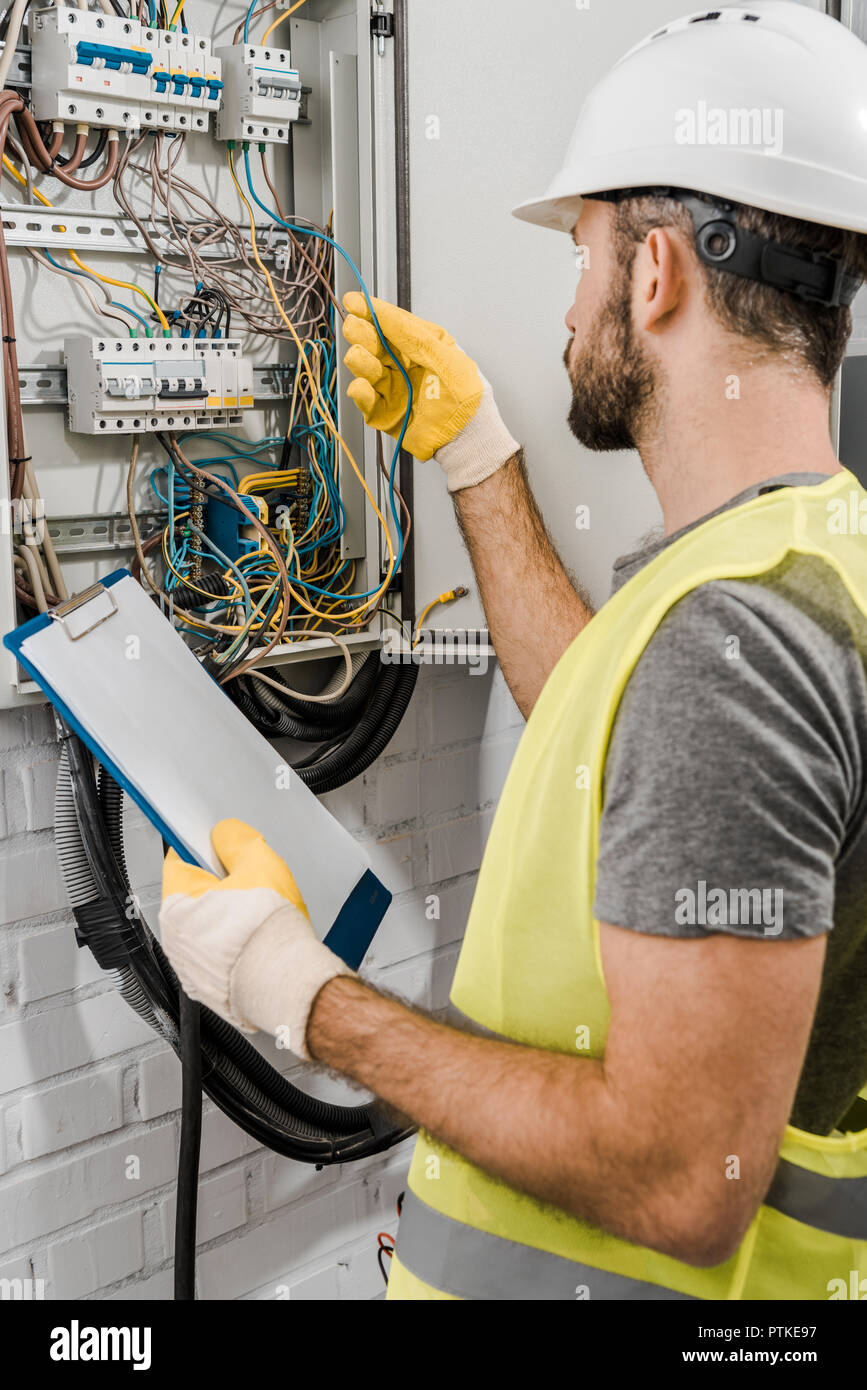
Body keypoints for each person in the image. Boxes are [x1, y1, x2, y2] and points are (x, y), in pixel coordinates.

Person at [160, 2, 867, 1299]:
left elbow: (672, 1177)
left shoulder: (739, 637)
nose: (570, 305)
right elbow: (612, 731)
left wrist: (295, 989)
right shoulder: (797, 561)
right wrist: (479, 459)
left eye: (585, 256)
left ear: (656, 276)